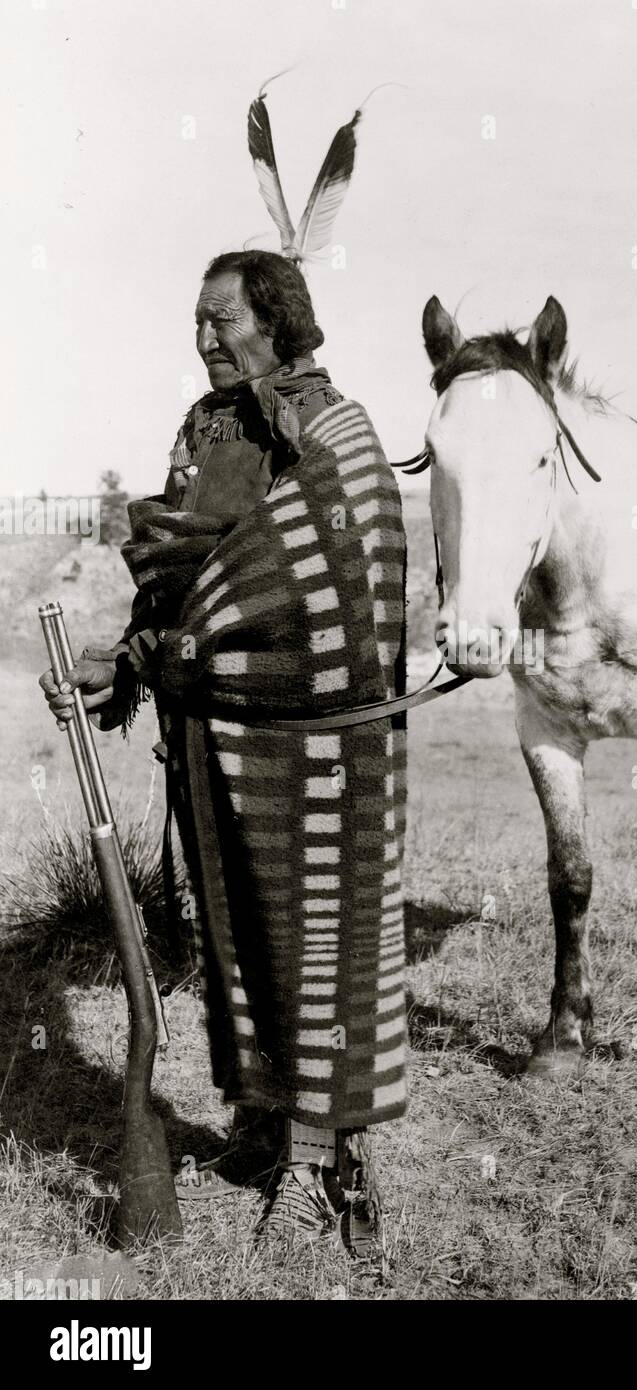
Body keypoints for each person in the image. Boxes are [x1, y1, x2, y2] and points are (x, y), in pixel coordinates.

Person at [40, 250, 408, 1251]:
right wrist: (126, 666)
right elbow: (175, 586)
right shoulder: (203, 434)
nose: (206, 339)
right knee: (236, 940)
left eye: (224, 320)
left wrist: (231, 640)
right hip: (208, 738)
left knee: (315, 950)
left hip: (316, 743)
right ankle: (261, 1126)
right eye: (197, 322)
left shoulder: (333, 427)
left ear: (277, 318)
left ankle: (321, 1167)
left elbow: (342, 571)